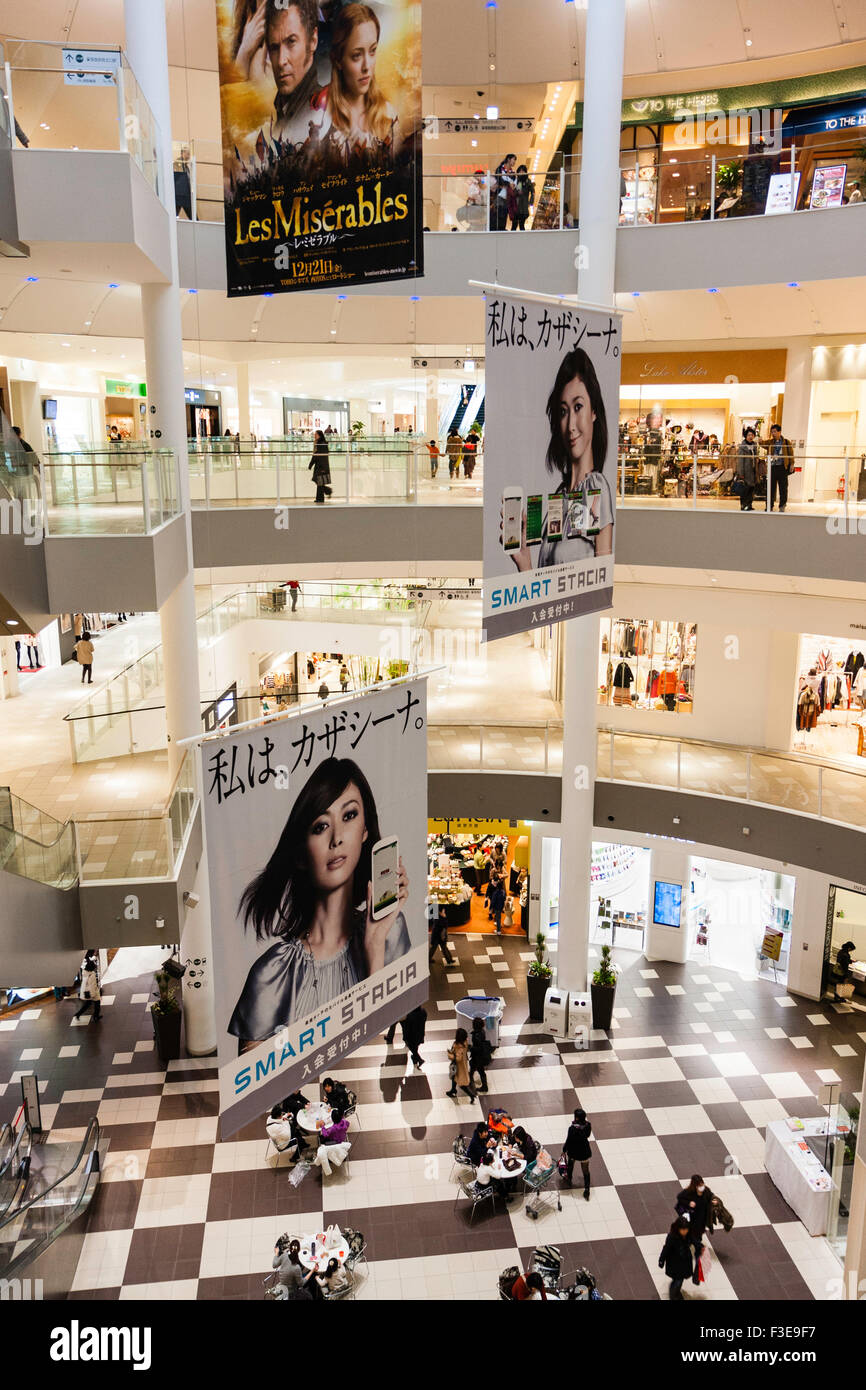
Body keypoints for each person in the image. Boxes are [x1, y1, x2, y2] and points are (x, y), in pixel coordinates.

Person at [229, 757, 410, 1049]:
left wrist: (374, 948)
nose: (337, 838)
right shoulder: (273, 973)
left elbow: (388, 1062)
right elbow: (255, 1091)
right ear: (301, 853)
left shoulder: (390, 935)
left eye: (349, 816)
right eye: (320, 826)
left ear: (365, 830)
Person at [503, 348, 613, 574]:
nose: (571, 424)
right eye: (563, 411)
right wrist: (524, 561)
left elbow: (602, 585)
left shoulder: (595, 488)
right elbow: (544, 592)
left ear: (594, 411)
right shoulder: (559, 498)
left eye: (578, 407)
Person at [325, 4, 401, 168]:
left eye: (372, 51)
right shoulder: (323, 118)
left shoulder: (390, 116)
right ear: (338, 60)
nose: (367, 66)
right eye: (357, 55)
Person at [264, 0, 331, 154]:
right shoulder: (282, 110)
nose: (281, 61)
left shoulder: (325, 109)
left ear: (313, 40)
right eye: (274, 48)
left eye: (291, 42)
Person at [675, 1174, 716, 1255]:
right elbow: (679, 1197)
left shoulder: (706, 1191)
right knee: (692, 1232)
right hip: (693, 1217)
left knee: (699, 1232)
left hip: (702, 1216)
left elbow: (711, 1196)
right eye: (699, 1185)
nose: (702, 1186)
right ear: (695, 1185)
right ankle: (696, 1246)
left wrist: (714, 1200)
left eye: (702, 1184)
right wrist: (689, 1203)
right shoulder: (689, 1192)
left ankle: (696, 1245)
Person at [659, 1218, 694, 1300]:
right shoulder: (672, 1237)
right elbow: (666, 1249)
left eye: (686, 1229)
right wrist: (661, 1260)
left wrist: (699, 1247)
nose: (685, 1231)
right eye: (683, 1229)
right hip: (675, 1263)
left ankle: (676, 1293)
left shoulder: (688, 1235)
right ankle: (673, 1295)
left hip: (684, 1262)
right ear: (678, 1228)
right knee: (677, 1280)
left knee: (680, 1280)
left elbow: (694, 1241)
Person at [562, 1106, 592, 1200]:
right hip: (584, 1151)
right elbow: (587, 1135)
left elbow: (569, 1140)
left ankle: (569, 1179)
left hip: (573, 1151)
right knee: (586, 1171)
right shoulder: (588, 1125)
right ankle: (587, 1189)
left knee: (571, 1165)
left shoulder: (572, 1128)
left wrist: (564, 1149)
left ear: (577, 1118)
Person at [313, 1105, 350, 1175]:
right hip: (342, 1138)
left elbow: (326, 1134)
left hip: (334, 1142)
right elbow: (348, 1124)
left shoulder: (333, 1128)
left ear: (333, 1119)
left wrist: (323, 1127)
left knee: (321, 1137)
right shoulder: (345, 1122)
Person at [766, 422, 794, 512]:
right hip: (772, 467)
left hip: (782, 467)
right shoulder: (771, 442)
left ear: (779, 432)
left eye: (774, 431)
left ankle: (782, 505)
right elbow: (762, 444)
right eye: (772, 432)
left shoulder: (786, 442)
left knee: (783, 488)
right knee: (770, 488)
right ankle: (769, 506)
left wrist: (792, 464)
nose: (773, 434)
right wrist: (759, 441)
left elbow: (791, 454)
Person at [446, 1027, 476, 1101]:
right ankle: (453, 1090)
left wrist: (450, 1054)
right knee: (454, 1077)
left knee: (461, 1083)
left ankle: (471, 1095)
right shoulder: (465, 1043)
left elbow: (458, 1058)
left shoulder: (458, 1046)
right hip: (463, 1064)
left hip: (459, 1067)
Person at [74, 949, 102, 1022]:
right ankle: (94, 1016)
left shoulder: (85, 966)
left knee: (93, 1002)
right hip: (91, 989)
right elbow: (89, 965)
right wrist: (95, 955)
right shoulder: (87, 970)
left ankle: (94, 1016)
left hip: (92, 987)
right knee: (94, 1001)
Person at [736, 427, 759, 511]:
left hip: (753, 470)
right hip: (745, 471)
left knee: (752, 488)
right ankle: (743, 505)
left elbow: (756, 457)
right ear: (745, 436)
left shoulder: (754, 445)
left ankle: (749, 504)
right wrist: (741, 473)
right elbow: (740, 461)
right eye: (749, 435)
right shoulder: (742, 447)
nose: (750, 436)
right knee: (745, 489)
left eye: (752, 435)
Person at [492, 154, 517, 230]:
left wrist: (509, 185)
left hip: (508, 197)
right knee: (497, 214)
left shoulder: (513, 173)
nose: (514, 162)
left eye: (515, 160)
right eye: (514, 159)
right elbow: (499, 180)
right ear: (508, 159)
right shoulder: (500, 169)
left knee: (504, 215)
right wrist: (508, 183)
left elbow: (514, 185)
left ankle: (502, 230)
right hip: (499, 196)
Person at [469, 1017, 492, 1094]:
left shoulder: (477, 1035)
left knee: (480, 1070)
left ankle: (484, 1087)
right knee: (473, 1066)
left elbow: (479, 1047)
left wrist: (471, 1048)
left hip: (478, 1056)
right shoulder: (482, 1031)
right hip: (478, 1056)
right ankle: (469, 1077)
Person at [309, 428, 332, 503]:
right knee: (319, 482)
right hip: (320, 465)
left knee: (318, 481)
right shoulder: (319, 443)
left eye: (316, 434)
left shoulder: (320, 444)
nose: (314, 436)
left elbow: (317, 455)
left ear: (319, 435)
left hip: (321, 466)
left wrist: (311, 464)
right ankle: (320, 498)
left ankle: (327, 491)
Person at [512, 164, 535, 230]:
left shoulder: (528, 181)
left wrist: (531, 202)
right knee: (514, 225)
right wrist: (517, 192)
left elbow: (533, 192)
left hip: (524, 206)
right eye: (520, 171)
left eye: (523, 171)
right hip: (516, 205)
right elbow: (514, 192)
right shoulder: (517, 180)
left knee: (521, 225)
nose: (521, 172)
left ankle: (522, 239)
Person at [173, 144, 193, 220]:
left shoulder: (186, 166)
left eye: (189, 154)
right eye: (188, 154)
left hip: (185, 195)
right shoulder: (176, 164)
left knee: (192, 216)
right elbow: (177, 179)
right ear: (183, 153)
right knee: (174, 215)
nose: (189, 156)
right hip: (179, 195)